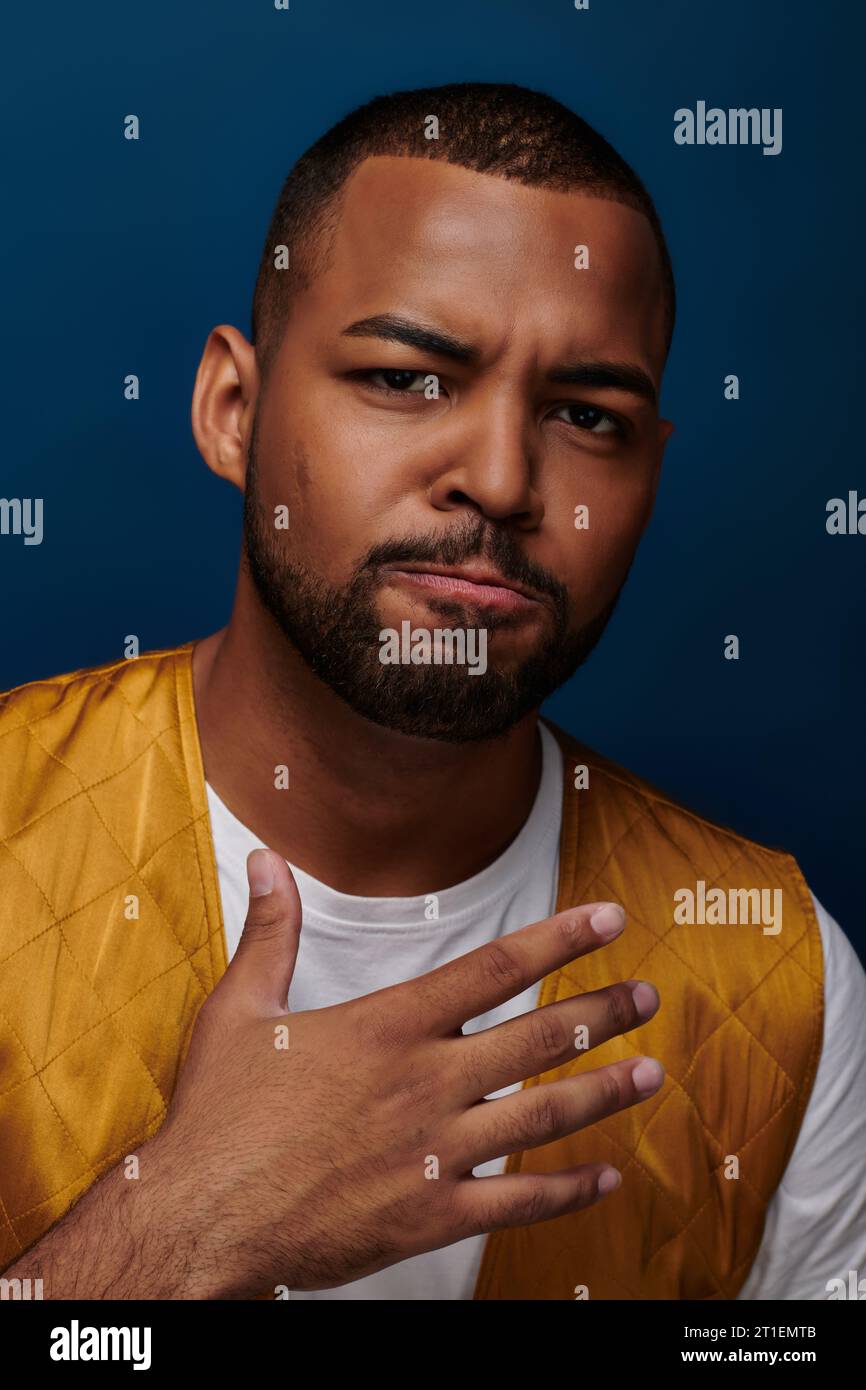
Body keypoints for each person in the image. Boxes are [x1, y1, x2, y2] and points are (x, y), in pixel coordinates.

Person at [2, 82, 864, 1302]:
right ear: (232, 412)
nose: (504, 478)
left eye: (584, 413)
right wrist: (181, 1229)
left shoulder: (784, 983)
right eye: (408, 378)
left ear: (650, 479)